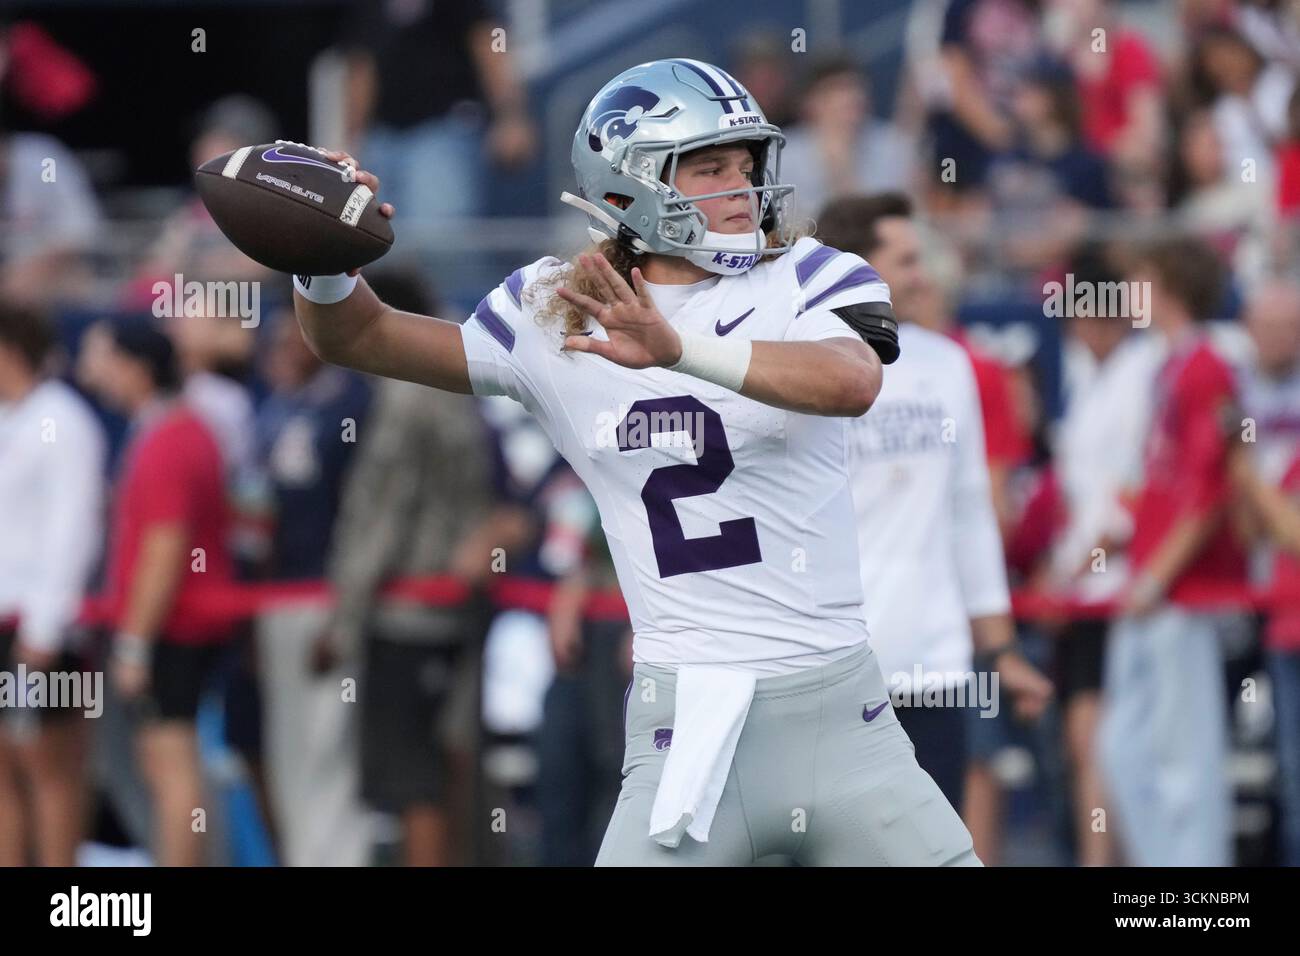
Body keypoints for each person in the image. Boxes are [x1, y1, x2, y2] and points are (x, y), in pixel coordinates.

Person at [292, 59, 977, 866]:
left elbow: (851, 381)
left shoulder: (810, 276)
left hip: (848, 724)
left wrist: (678, 349)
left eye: (746, 163)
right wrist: (323, 258)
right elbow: (361, 337)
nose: (741, 185)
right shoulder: (554, 310)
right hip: (686, 733)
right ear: (630, 187)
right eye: (711, 166)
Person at [815, 192, 1052, 821]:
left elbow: (971, 513)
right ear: (854, 268)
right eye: (907, 259)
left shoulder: (949, 365)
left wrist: (1000, 652)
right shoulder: (802, 370)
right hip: (835, 666)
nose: (923, 275)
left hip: (936, 665)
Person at [1098, 238, 1248, 867]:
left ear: (1169, 286)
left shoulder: (1207, 365)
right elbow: (1159, 483)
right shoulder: (1167, 365)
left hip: (1183, 591)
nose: (1130, 293)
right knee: (1122, 748)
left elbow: (1211, 488)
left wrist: (1157, 576)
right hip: (1151, 586)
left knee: (1185, 756)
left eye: (1141, 278)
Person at [90, 316, 235, 866]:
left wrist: (133, 643)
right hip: (174, 624)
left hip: (174, 627)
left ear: (138, 367)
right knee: (169, 764)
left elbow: (165, 549)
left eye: (107, 357)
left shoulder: (172, 438)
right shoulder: (167, 430)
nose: (99, 371)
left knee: (169, 765)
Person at [0, 301, 105, 865]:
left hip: (44, 630)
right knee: (4, 769)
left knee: (50, 769)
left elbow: (73, 529)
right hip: (6, 623)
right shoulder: (9, 419)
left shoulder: (61, 419)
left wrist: (43, 630)